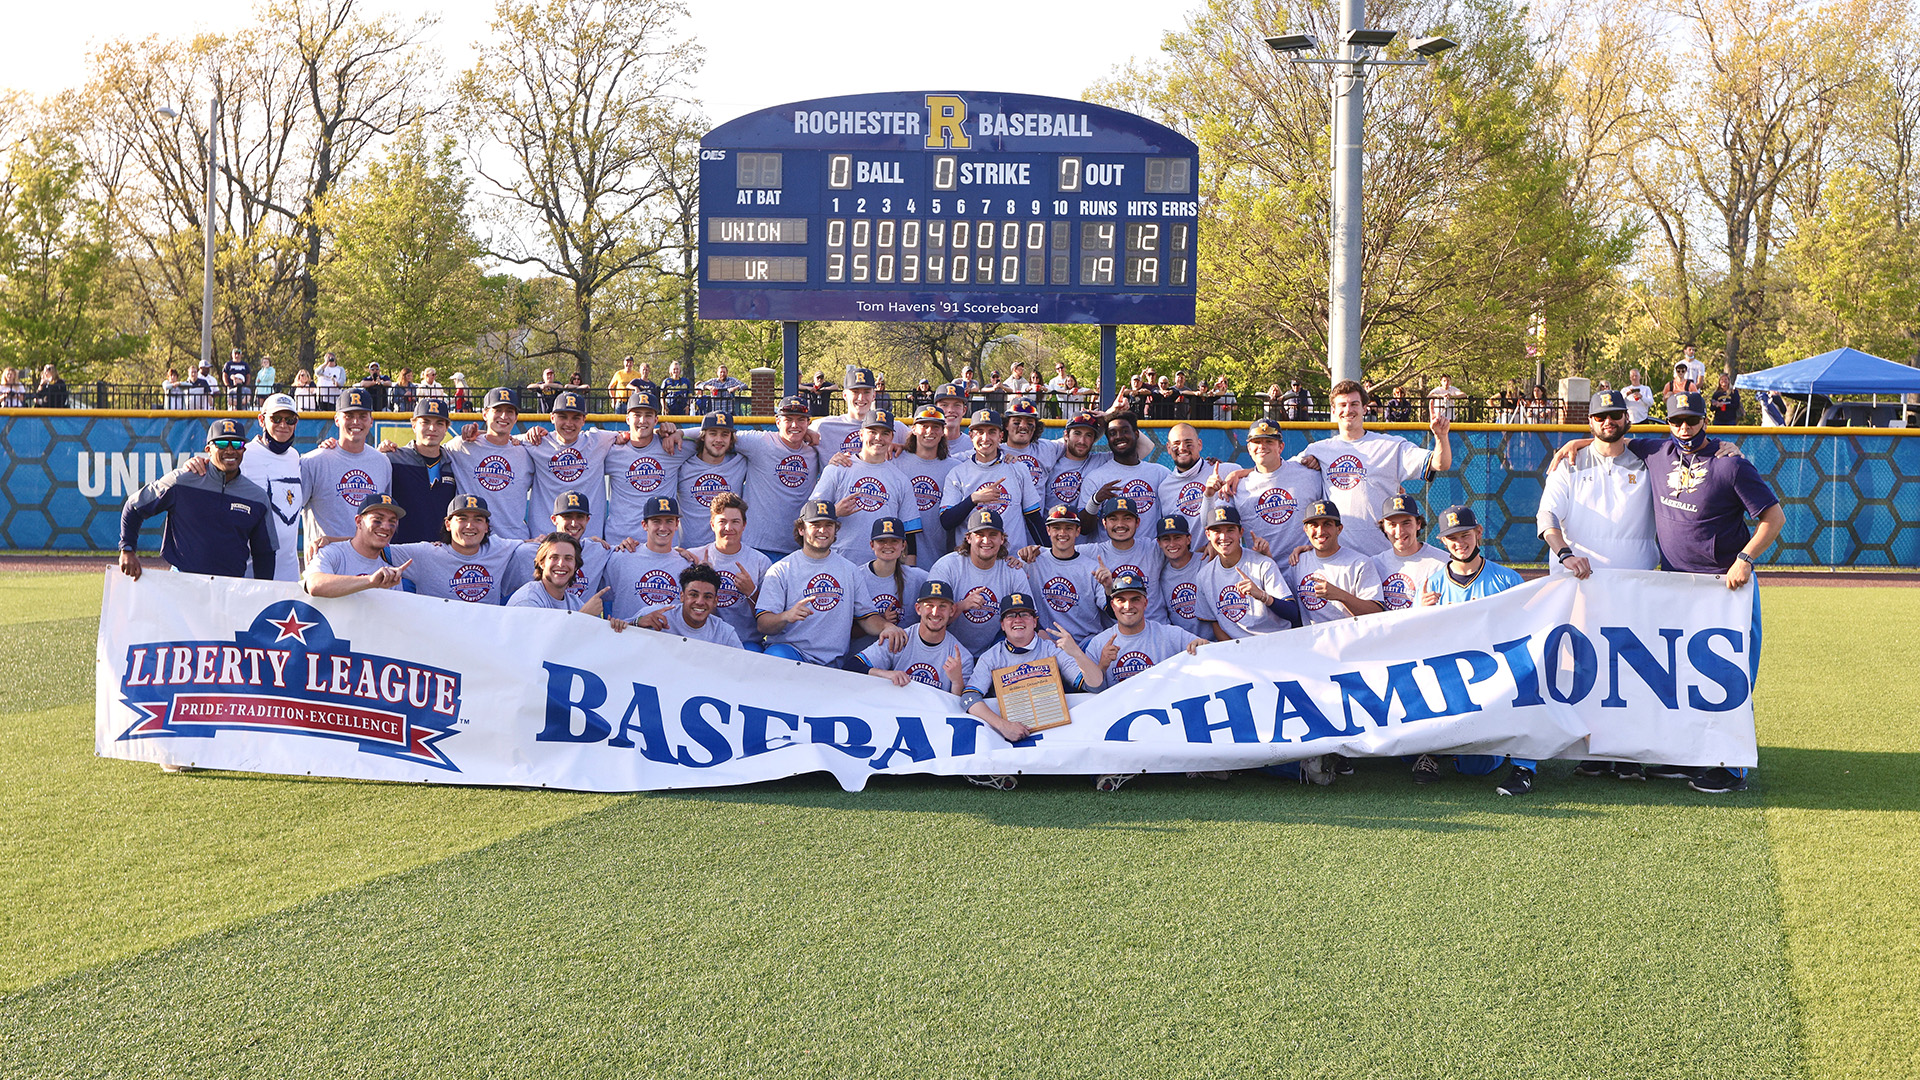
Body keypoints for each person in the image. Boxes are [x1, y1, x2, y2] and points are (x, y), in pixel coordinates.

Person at [1554, 391, 1784, 793]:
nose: (1684, 428)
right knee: (1686, 676)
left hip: (1725, 585)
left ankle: (1731, 768)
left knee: (1731, 673)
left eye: (1692, 420)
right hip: (1677, 586)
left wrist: (1745, 559)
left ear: (1705, 420)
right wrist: (1578, 441)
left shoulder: (1731, 464)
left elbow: (1774, 517)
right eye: (1676, 421)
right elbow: (1612, 439)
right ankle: (1687, 757)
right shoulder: (1657, 451)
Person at [1536, 390, 1659, 779]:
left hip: (1632, 585)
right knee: (1584, 666)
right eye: (1600, 416)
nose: (1608, 421)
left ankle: (1629, 752)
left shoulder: (1649, 460)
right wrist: (1564, 553)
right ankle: (1592, 750)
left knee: (1632, 668)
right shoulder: (1568, 463)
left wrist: (1724, 447)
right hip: (1580, 586)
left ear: (1627, 418)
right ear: (1589, 421)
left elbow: (1691, 446)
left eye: (1615, 414)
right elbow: (1547, 515)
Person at [1415, 504, 1537, 796]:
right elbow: (1416, 639)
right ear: (1442, 541)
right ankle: (1432, 752)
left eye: (1465, 535)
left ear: (1479, 532)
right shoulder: (1432, 584)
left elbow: (1526, 630)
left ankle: (1524, 768)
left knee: (1529, 683)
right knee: (1473, 767)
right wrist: (1420, 613)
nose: (1459, 543)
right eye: (1452, 537)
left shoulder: (1506, 579)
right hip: (1453, 676)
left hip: (1498, 672)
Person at [1287, 380, 1451, 560]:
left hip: (1382, 558)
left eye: (1354, 404)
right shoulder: (1318, 450)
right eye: (1342, 405)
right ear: (1333, 410)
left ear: (1365, 408)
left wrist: (1441, 436)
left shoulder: (1390, 446)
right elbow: (1279, 471)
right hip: (1339, 560)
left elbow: (1440, 464)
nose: (1348, 410)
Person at [962, 590, 1109, 789]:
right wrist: (1003, 726)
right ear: (1002, 625)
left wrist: (1076, 653)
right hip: (1009, 732)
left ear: (1034, 621)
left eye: (1024, 614)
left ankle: (1101, 770)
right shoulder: (992, 656)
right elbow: (969, 698)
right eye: (1011, 615)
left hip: (1052, 730)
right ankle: (996, 771)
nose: (1017, 620)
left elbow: (1094, 685)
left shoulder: (1051, 649)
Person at [117, 418, 276, 581]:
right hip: (182, 582)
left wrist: (265, 589)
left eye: (237, 444)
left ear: (243, 449)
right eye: (221, 444)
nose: (230, 450)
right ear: (208, 449)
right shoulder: (181, 481)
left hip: (230, 587)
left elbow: (264, 552)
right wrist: (127, 549)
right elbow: (134, 507)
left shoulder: (257, 497)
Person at [755, 500, 884, 666]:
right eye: (815, 525)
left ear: (836, 529)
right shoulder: (781, 569)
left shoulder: (850, 570)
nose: (822, 530)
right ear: (801, 529)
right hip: (792, 654)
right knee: (776, 656)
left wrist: (887, 627)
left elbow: (867, 618)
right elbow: (763, 625)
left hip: (833, 662)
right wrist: (786, 616)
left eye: (829, 525)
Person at [1207, 417, 1324, 587]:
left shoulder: (1309, 474)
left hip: (1307, 570)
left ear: (1281, 447)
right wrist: (1209, 495)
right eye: (1257, 442)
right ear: (1249, 448)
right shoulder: (1237, 486)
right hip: (1262, 575)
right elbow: (1211, 523)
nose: (1262, 446)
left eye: (1269, 441)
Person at [811, 411, 919, 561]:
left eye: (885, 433)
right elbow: (809, 517)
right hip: (838, 561)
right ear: (861, 435)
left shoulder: (900, 480)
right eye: (872, 432)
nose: (878, 438)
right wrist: (834, 512)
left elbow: (909, 533)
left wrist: (909, 569)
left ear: (892, 437)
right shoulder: (838, 468)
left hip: (882, 565)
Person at [938, 408, 1046, 557]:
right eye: (979, 432)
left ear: (1000, 436)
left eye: (992, 432)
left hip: (1011, 560)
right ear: (971, 435)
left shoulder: (1017, 468)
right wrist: (973, 499)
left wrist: (1049, 553)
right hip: (970, 560)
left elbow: (1033, 517)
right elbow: (946, 521)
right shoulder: (958, 472)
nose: (985, 438)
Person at [927, 507, 1033, 656]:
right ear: (968, 538)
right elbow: (930, 621)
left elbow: (1028, 620)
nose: (986, 541)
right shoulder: (946, 566)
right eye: (980, 534)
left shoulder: (1012, 570)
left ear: (1002, 539)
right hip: (947, 649)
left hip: (993, 651)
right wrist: (962, 605)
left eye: (993, 535)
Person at [1085, 570, 1207, 695]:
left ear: (1145, 603)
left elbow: (1210, 654)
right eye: (1121, 600)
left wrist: (1202, 645)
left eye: (1135, 599)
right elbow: (1090, 692)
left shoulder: (1170, 635)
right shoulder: (1098, 644)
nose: (1128, 606)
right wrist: (1102, 666)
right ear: (1112, 605)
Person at [386, 494, 522, 604]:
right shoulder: (425, 553)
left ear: (486, 527)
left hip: (486, 628)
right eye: (462, 519)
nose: (470, 526)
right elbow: (379, 549)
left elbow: (528, 546)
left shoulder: (499, 548)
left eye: (478, 520)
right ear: (448, 524)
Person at [299, 387, 392, 546]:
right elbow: (290, 513)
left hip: (370, 556)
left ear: (371, 421)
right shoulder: (313, 461)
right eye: (349, 416)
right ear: (337, 419)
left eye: (362, 416)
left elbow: (386, 515)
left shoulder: (382, 462)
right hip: (326, 556)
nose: (356, 422)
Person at [732, 395, 822, 560]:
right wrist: (682, 433)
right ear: (778, 421)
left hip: (798, 547)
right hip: (757, 546)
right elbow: (718, 434)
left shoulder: (815, 449)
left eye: (801, 419)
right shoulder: (760, 442)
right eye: (788, 419)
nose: (794, 425)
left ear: (808, 422)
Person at [524, 390, 621, 538]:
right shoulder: (536, 442)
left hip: (589, 540)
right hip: (545, 538)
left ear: (584, 420)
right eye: (563, 417)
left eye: (576, 418)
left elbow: (636, 434)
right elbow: (499, 439)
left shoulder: (597, 440)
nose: (569, 423)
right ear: (552, 418)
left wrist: (624, 437)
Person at [680, 492, 770, 648]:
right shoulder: (693, 557)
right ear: (712, 525)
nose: (729, 528)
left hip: (745, 641)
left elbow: (768, 618)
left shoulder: (760, 562)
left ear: (744, 525)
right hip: (702, 640)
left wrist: (751, 592)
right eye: (722, 521)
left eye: (735, 521)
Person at [849, 579, 972, 694]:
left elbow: (963, 706)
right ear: (918, 608)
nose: (935, 612)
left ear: (952, 610)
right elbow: (852, 667)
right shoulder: (899, 639)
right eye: (929, 605)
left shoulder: (961, 657)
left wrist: (957, 682)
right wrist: (885, 674)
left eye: (942, 606)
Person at [1193, 505, 1299, 638]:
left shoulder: (1263, 563)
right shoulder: (1204, 575)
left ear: (1240, 532)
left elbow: (1292, 613)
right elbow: (1214, 622)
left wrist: (1262, 596)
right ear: (1208, 535)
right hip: (1237, 647)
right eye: (1217, 531)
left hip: (1275, 640)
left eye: (1230, 530)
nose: (1224, 537)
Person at [603, 387, 689, 547]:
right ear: (627, 419)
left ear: (656, 420)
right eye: (637, 415)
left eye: (648, 415)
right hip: (620, 544)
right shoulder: (612, 451)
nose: (642, 420)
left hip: (662, 543)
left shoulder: (671, 446)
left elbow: (709, 436)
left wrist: (681, 433)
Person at [445, 388, 534, 541]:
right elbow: (428, 451)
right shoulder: (462, 445)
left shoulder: (526, 452)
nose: (504, 416)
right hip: (474, 541)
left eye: (509, 411)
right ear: (485, 414)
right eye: (497, 410)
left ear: (516, 418)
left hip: (515, 541)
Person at [1018, 504, 1108, 643]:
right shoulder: (1032, 561)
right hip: (1045, 643)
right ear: (1048, 530)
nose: (1062, 533)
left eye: (1069, 528)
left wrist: (1109, 587)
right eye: (1056, 528)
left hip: (1084, 642)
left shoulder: (1092, 568)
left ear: (1078, 531)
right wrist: (1013, 561)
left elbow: (1111, 610)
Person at [510, 491, 616, 607]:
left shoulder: (598, 550)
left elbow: (622, 552)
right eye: (567, 517)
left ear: (587, 520)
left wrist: (626, 543)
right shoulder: (526, 553)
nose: (574, 523)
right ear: (554, 519)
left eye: (580, 517)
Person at [377, 398, 460, 544]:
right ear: (414, 425)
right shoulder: (393, 458)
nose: (432, 428)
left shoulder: (454, 463)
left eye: (439, 423)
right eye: (425, 422)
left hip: (442, 550)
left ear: (446, 428)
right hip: (401, 549)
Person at [505, 532, 628, 630]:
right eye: (554, 557)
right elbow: (539, 645)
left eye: (568, 558)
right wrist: (583, 616)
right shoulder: (527, 600)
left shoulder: (574, 603)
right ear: (541, 563)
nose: (561, 564)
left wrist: (614, 627)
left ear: (575, 566)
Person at [601, 494, 695, 623]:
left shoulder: (686, 565)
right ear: (644, 525)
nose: (663, 528)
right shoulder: (621, 557)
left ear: (676, 524)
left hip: (670, 634)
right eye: (656, 521)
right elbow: (597, 594)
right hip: (628, 633)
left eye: (669, 521)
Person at [1079, 412, 1171, 539]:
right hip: (1110, 551)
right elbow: (1084, 529)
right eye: (1112, 433)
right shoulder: (1096, 478)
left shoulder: (1160, 473)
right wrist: (1095, 501)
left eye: (1125, 431)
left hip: (1149, 551)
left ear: (1136, 434)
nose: (1119, 436)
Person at [301, 494, 411, 598]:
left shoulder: (389, 572)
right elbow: (314, 585)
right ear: (359, 522)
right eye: (378, 519)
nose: (386, 527)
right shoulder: (331, 552)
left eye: (392, 522)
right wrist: (370, 581)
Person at [1292, 500, 1385, 622]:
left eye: (1327, 524)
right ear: (1305, 529)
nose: (1320, 531)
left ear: (1339, 529)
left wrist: (1340, 595)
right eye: (1314, 525)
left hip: (1350, 633)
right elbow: (1287, 605)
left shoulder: (1359, 563)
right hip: (1312, 634)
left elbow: (1376, 613)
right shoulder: (1297, 561)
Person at [848, 517, 930, 650]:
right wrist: (880, 623)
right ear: (872, 545)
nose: (887, 545)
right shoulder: (856, 576)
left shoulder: (917, 577)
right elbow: (846, 630)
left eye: (894, 541)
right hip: (862, 653)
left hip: (902, 654)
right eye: (881, 541)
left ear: (903, 545)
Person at [1087, 495, 1168, 622]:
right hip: (1118, 631)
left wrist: (1204, 549)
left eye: (1127, 518)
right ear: (1104, 523)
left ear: (1137, 522)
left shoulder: (1153, 548)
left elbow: (1184, 549)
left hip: (1158, 626)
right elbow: (1058, 553)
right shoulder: (1093, 552)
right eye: (1113, 519)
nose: (1120, 524)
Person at [675, 412, 748, 548]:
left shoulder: (740, 462)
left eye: (725, 434)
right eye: (713, 434)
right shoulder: (683, 466)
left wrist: (681, 432)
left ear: (731, 438)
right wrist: (680, 432)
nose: (719, 439)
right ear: (703, 436)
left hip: (725, 549)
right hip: (689, 550)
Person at [900, 405, 961, 559]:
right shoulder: (896, 460)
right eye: (924, 426)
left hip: (938, 554)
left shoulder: (955, 468)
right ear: (914, 429)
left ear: (943, 431)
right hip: (900, 557)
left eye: (936, 427)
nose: (929, 431)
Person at [1371, 494, 1449, 612]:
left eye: (1406, 523)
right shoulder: (1374, 564)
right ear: (1384, 527)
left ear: (1418, 524)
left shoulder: (1443, 563)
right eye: (1392, 524)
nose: (1399, 531)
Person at [812, 366, 908, 456]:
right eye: (855, 392)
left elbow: (916, 441)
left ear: (873, 395)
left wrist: (903, 447)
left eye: (866, 392)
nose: (861, 398)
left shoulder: (894, 427)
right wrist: (807, 432)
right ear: (845, 395)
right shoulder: (823, 426)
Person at [1157, 422, 1226, 543]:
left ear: (1199, 444)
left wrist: (1238, 474)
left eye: (1188, 443)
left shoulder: (1224, 470)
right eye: (1176, 444)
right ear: (1168, 448)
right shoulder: (1164, 488)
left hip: (1220, 552)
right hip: (1186, 555)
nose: (1182, 448)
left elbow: (1258, 474)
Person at [1043, 412, 1110, 534]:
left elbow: (1143, 448)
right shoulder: (1051, 462)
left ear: (1094, 439)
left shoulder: (1100, 461)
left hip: (1085, 541)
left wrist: (1109, 417)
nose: (1082, 441)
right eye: (1077, 433)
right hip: (1051, 539)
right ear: (1066, 435)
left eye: (1088, 435)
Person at [648, 563, 743, 648]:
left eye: (707, 597)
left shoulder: (725, 633)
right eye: (693, 595)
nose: (700, 602)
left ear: (715, 601)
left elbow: (743, 661)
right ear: (682, 596)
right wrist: (639, 622)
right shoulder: (657, 615)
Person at [1154, 513, 1212, 638]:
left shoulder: (1207, 562)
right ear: (1159, 543)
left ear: (1188, 539)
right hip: (1183, 645)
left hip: (1215, 642)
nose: (1172, 544)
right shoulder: (1160, 575)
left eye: (1177, 537)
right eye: (1166, 539)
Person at [1001, 399, 1059, 496]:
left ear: (1035, 427)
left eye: (1029, 423)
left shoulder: (1046, 448)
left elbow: (1074, 442)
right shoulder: (995, 452)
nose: (1023, 426)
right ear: (1006, 425)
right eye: (1016, 422)